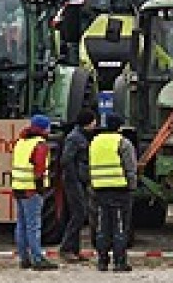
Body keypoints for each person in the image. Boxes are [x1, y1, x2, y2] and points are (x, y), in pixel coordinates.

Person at [89, 113, 136, 272]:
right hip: (119, 190)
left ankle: (102, 261)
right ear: (119, 127)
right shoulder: (123, 143)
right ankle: (119, 262)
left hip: (99, 190)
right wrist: (132, 187)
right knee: (120, 227)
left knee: (102, 227)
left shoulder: (95, 142)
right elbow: (130, 167)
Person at [11, 114, 58, 270]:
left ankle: (24, 258)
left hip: (18, 187)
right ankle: (37, 259)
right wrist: (40, 189)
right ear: (44, 128)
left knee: (21, 224)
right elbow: (39, 170)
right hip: (32, 190)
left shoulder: (20, 142)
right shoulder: (40, 145)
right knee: (33, 226)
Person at [59, 109, 98, 262]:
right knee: (78, 214)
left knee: (80, 214)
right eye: (93, 121)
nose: (95, 124)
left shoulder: (81, 136)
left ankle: (74, 249)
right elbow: (66, 160)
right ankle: (66, 248)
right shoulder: (74, 138)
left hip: (80, 181)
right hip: (74, 182)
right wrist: (74, 179)